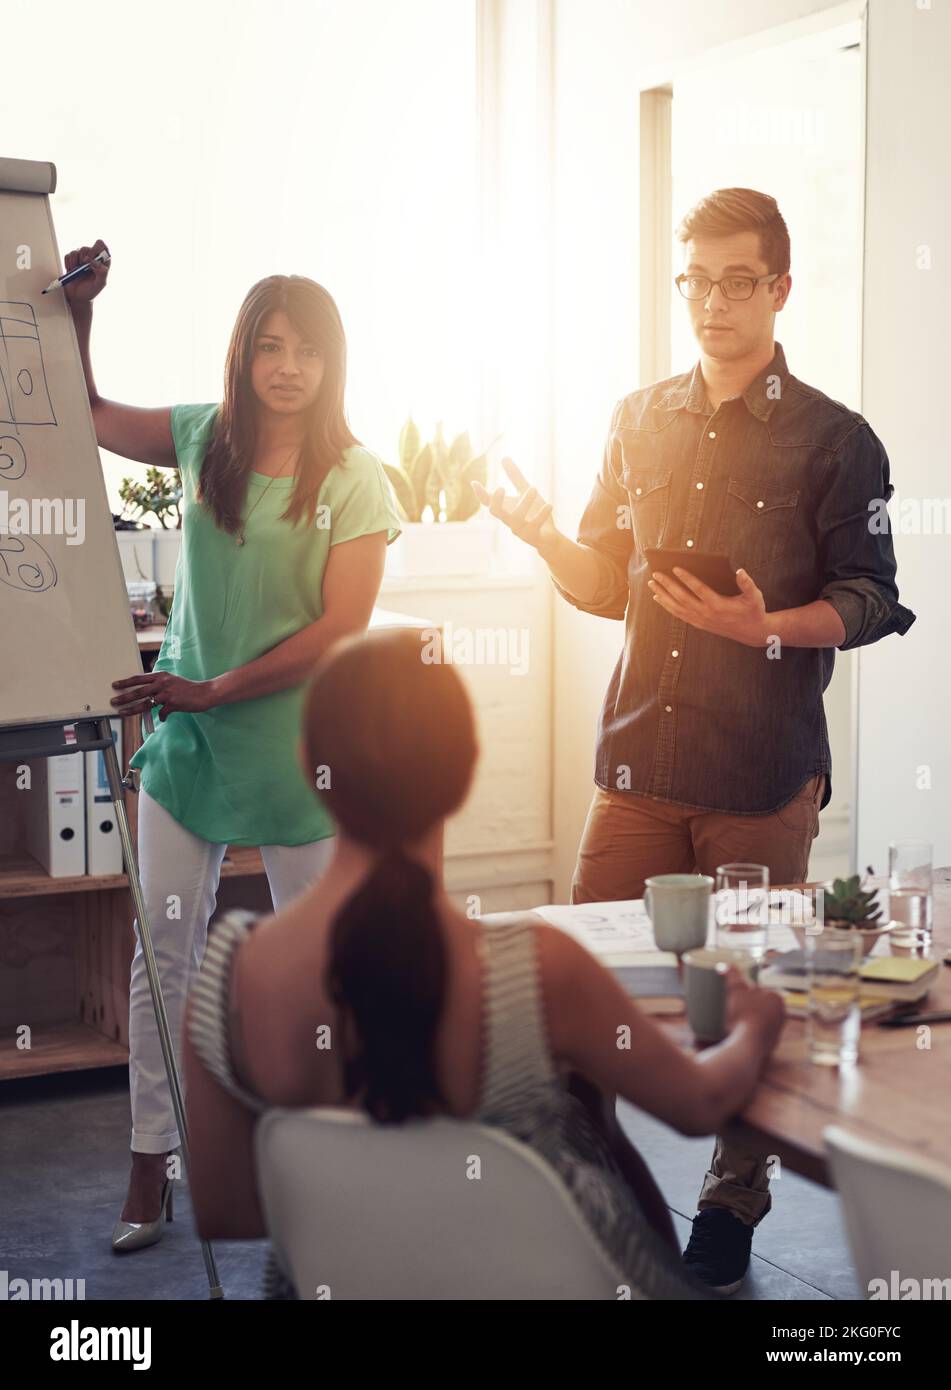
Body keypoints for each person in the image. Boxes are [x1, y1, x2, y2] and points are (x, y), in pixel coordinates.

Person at [473, 187, 916, 1293]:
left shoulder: (838, 442)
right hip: (634, 765)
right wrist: (536, 535)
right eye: (695, 281)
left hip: (759, 775)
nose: (712, 303)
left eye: (735, 281)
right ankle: (596, 1197)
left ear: (779, 289)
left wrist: (765, 626)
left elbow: (872, 597)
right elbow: (599, 581)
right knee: (571, 995)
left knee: (746, 998)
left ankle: (730, 1207)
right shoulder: (636, 419)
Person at [182, 627, 784, 1299]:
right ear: (465, 771)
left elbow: (223, 1209)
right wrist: (754, 1022)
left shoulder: (231, 971)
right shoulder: (535, 965)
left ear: (306, 763)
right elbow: (699, 1103)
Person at [65, 241, 401, 1251]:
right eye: (269, 346)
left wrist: (210, 686)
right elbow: (84, 418)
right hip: (191, 747)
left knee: (317, 969)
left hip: (302, 753)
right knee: (158, 961)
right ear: (244, 355)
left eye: (307, 350)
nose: (288, 366)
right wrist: (83, 312)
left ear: (332, 362)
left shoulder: (356, 474)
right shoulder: (203, 436)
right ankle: (148, 1166)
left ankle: (338, 1161)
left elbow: (340, 629)